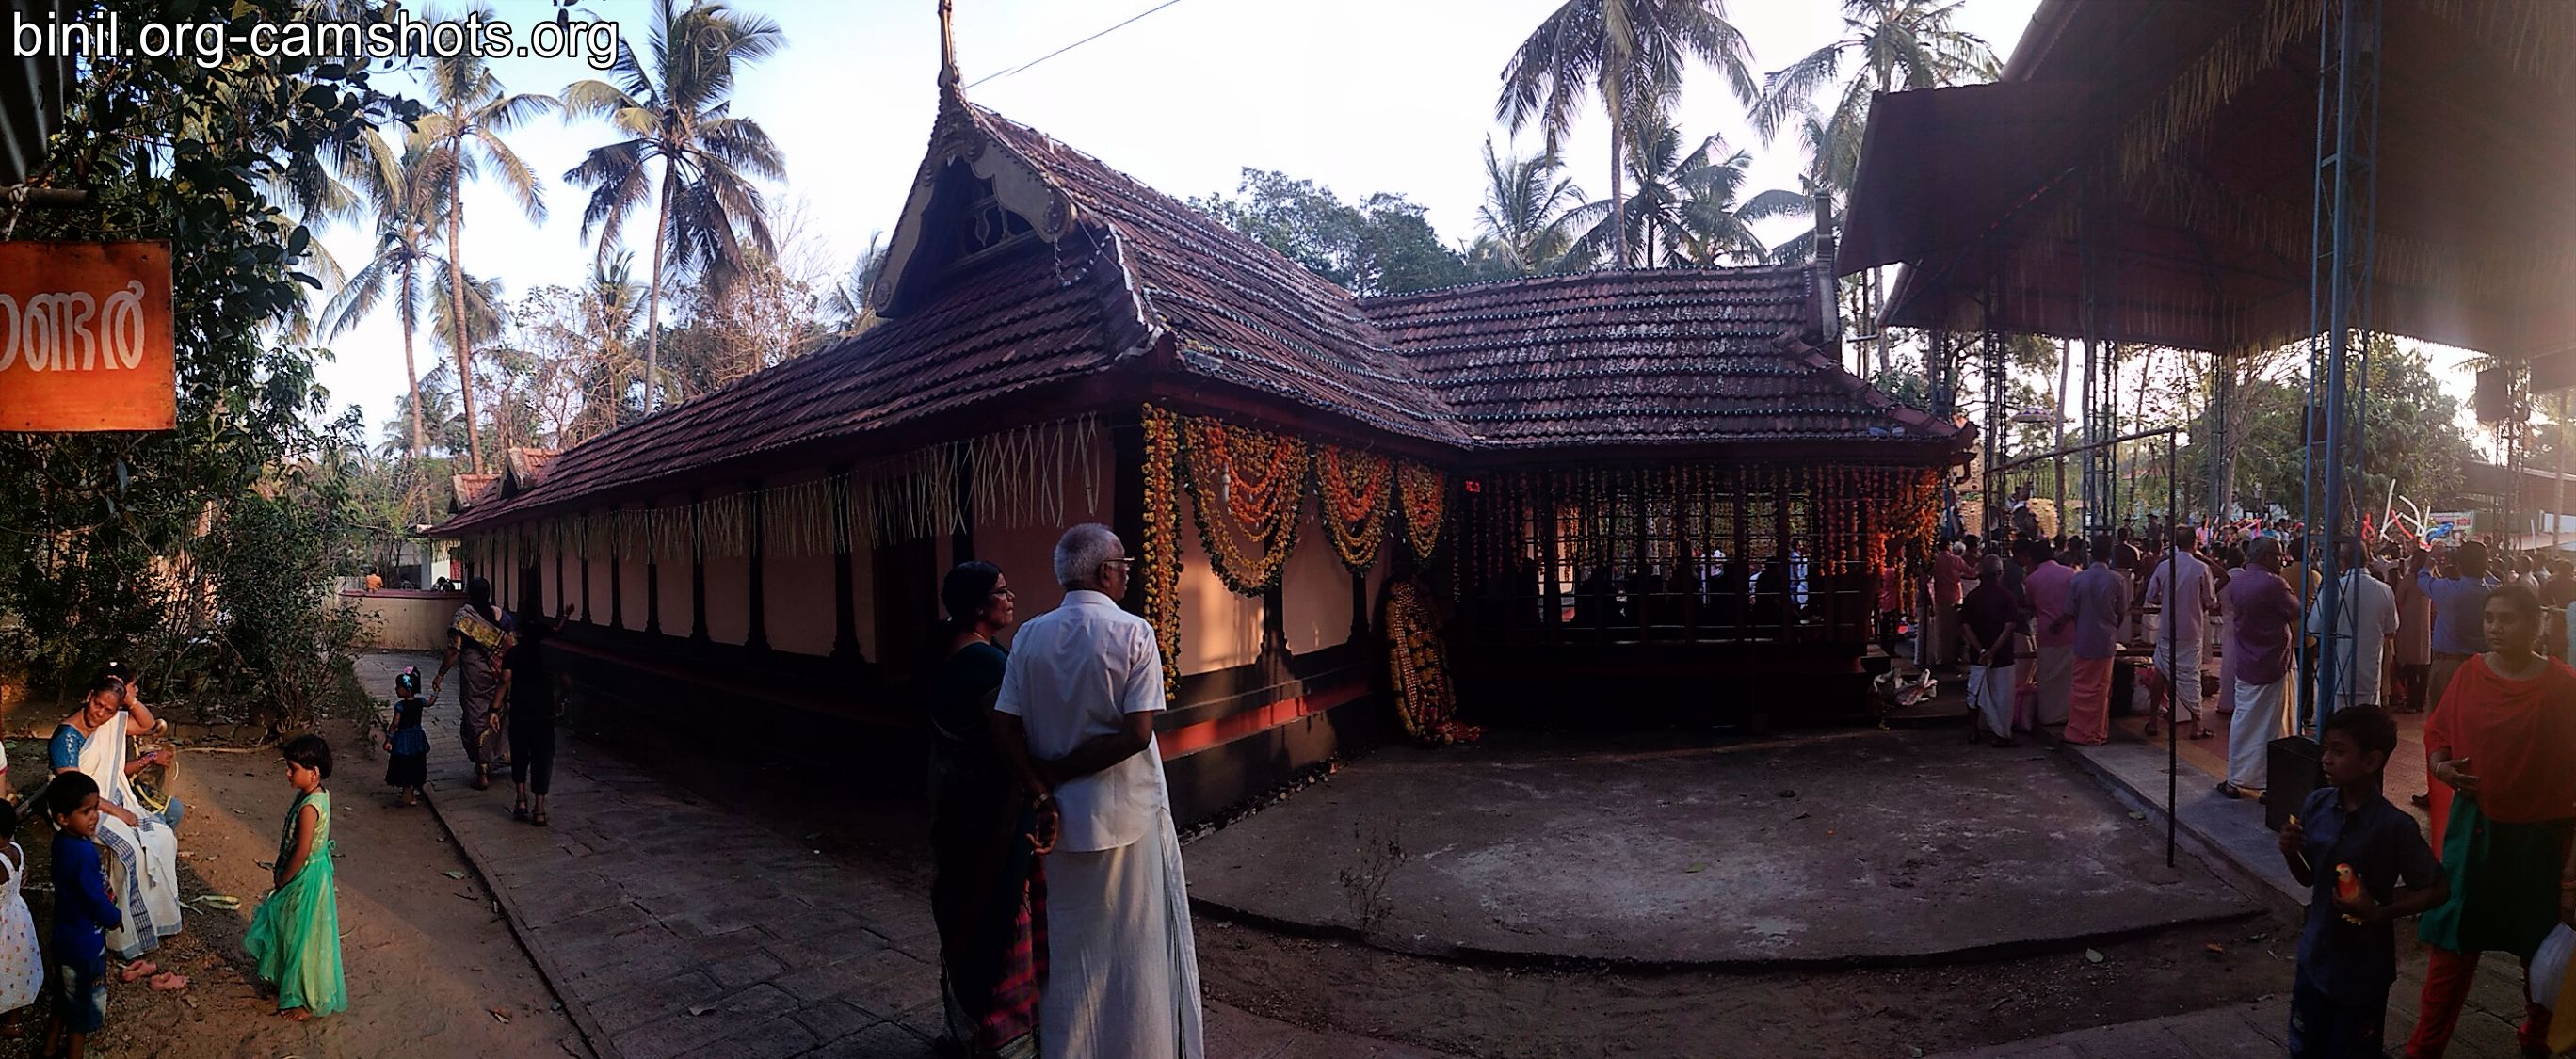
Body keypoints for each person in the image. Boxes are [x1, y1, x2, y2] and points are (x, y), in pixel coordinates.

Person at [992, 524, 1203, 1059]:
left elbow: (1003, 727)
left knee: (1069, 949)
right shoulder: (1134, 633)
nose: (1128, 572)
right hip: (1126, 814)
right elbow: (1138, 733)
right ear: (1105, 571)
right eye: (1124, 563)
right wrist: (1060, 771)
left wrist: (1041, 787)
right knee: (1134, 950)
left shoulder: (1029, 635)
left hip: (1057, 820)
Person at [2404, 585, 2576, 1058]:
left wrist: (2570, 872)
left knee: (2540, 953)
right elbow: (2438, 732)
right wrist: (2441, 767)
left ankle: (2536, 1035)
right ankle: (2425, 1046)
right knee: (2452, 946)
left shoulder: (2564, 686)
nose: (2496, 628)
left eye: (2509, 619)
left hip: (2539, 841)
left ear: (2537, 622)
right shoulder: (2469, 676)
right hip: (2474, 832)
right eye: (2490, 618)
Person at [926, 561, 1048, 1058]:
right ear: (979, 606)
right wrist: (1038, 789)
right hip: (991, 815)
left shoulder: (947, 649)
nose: (1011, 597)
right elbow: (1007, 738)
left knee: (963, 910)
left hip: (955, 810)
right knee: (996, 912)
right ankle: (1001, 1035)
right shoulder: (986, 664)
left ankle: (963, 1026)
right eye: (1003, 591)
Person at [2276, 706, 2446, 1059]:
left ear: (2371, 762)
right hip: (2315, 956)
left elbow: (2437, 889)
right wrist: (2291, 852)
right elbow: (2309, 878)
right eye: (2326, 749)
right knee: (2306, 1047)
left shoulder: (2394, 826)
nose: (2325, 759)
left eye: (2338, 751)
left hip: (2363, 971)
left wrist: (2381, 912)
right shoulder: (2316, 805)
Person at [48, 673, 181, 965]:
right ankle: (127, 934)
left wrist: (127, 697)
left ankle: (160, 920)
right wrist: (118, 811)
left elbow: (146, 724)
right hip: (82, 812)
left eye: (110, 709)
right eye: (98, 705)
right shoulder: (65, 739)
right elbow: (75, 794)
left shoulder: (110, 723)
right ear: (89, 696)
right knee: (129, 851)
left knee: (162, 838)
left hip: (110, 800)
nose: (102, 713)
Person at [243, 735, 346, 1022]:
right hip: (311, 871)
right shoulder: (314, 794)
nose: (288, 773)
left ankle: (304, 997)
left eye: (292, 768)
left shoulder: (310, 807)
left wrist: (283, 879)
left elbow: (301, 850)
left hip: (304, 877)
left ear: (313, 772)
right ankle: (285, 979)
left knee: (304, 936)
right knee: (291, 928)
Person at [44, 773, 119, 1059]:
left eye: (96, 808)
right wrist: (113, 916)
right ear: (63, 818)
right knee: (82, 1010)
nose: (94, 817)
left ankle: (49, 1047)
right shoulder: (83, 853)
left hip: (65, 936)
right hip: (83, 943)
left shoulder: (63, 842)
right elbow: (93, 897)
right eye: (86, 811)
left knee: (64, 998)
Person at [2222, 537, 2301, 800]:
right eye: (2279, 556)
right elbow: (2295, 611)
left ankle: (2236, 779)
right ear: (2266, 557)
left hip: (2247, 661)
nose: (2283, 561)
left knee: (2243, 722)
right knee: (2272, 727)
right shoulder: (2274, 583)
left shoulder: (2238, 582)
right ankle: (2267, 783)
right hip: (2273, 663)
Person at [432, 576, 514, 790]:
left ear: (469, 593)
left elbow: (454, 651)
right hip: (499, 675)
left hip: (474, 676)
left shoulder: (464, 618)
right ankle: (498, 754)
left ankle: (482, 770)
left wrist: (440, 675)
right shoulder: (502, 616)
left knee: (475, 718)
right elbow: (510, 647)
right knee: (497, 712)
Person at [2143, 527, 2219, 740]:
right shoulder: (2202, 568)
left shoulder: (2165, 566)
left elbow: (2152, 595)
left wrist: (2166, 601)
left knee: (2161, 671)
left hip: (2168, 628)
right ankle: (2196, 726)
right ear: (2195, 543)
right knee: (2191, 677)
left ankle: (2152, 721)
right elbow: (2210, 601)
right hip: (2192, 630)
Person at [502, 606, 574, 826]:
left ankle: (521, 800)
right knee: (543, 758)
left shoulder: (513, 653)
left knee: (520, 755)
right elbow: (566, 682)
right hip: (544, 714)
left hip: (520, 712)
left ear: (521, 630)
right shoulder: (551, 655)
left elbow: (504, 681)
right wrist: (560, 699)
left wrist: (495, 709)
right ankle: (539, 809)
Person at [2305, 543, 2399, 714]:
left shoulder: (2335, 589)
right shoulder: (2385, 590)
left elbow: (2313, 626)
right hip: (2370, 672)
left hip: (2339, 672)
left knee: (2341, 725)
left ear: (2342, 561)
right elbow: (2391, 630)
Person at [2419, 542, 2496, 715]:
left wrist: (2432, 558)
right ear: (2486, 564)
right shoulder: (2493, 592)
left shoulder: (2447, 589)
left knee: (2441, 720)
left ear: (2459, 564)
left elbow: (2422, 578)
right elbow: (2495, 580)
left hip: (2448, 665)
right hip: (2482, 665)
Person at [2066, 538, 2127, 746]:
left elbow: (2070, 610)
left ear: (2091, 554)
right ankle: (2096, 733)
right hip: (2105, 640)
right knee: (2100, 689)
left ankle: (2077, 730)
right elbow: (2122, 612)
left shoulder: (2078, 579)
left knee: (2080, 687)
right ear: (2110, 556)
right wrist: (2110, 628)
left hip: (2083, 638)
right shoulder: (2117, 580)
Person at [1960, 555, 2024, 747]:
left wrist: (1981, 649)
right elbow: (2009, 627)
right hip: (2002, 654)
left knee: (1975, 693)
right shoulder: (2007, 597)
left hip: (1978, 655)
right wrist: (1993, 650)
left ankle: (1974, 731)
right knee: (2002, 695)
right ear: (1999, 574)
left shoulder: (1972, 597)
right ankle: (2001, 734)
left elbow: (1966, 626)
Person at [2022, 539, 2078, 744]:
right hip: (2070, 631)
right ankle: (2069, 714)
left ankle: (2048, 715)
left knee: (2047, 677)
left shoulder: (2032, 579)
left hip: (2046, 633)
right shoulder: (2070, 574)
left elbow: (2029, 604)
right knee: (2069, 677)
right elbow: (2075, 602)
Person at [0, 800, 38, 1037]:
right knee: (15, 970)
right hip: (16, 917)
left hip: (2, 923)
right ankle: (13, 1022)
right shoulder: (16, 849)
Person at [382, 667, 433, 808]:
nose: (396, 689)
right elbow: (430, 702)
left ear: (407, 690)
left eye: (399, 687)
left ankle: (406, 792)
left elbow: (394, 724)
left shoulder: (400, 706)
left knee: (403, 763)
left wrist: (388, 739)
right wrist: (436, 692)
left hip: (404, 739)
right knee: (416, 762)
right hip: (417, 738)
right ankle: (411, 793)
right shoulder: (420, 702)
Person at [2392, 548, 2434, 714]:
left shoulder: (2409, 579)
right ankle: (2420, 701)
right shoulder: (2431, 579)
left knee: (2410, 665)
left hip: (2409, 624)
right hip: (2425, 624)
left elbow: (2398, 598)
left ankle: (2410, 701)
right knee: (2423, 664)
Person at [1932, 541, 1970, 669]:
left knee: (1942, 630)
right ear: (1948, 546)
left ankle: (1942, 658)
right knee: (1954, 629)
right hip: (1954, 597)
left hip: (1939, 598)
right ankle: (1952, 657)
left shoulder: (1935, 560)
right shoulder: (1955, 560)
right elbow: (1970, 572)